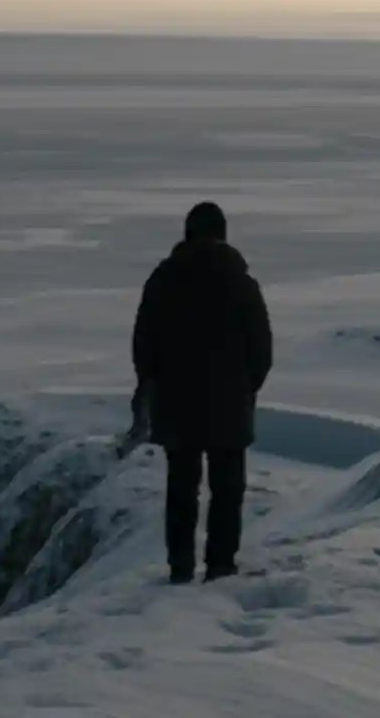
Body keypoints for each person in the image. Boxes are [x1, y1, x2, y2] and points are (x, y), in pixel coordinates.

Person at [131, 202, 273, 584]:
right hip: (229, 404)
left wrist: (155, 385)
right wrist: (245, 388)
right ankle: (221, 565)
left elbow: (143, 345)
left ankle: (180, 567)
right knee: (227, 489)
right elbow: (261, 350)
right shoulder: (242, 284)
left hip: (176, 405)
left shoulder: (163, 280)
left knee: (181, 488)